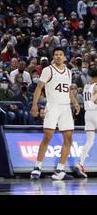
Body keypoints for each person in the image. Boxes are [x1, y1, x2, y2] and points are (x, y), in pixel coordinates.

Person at [30, 47, 80, 181]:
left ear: (64, 57)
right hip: (52, 106)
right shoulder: (48, 70)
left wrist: (75, 103)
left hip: (65, 108)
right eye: (56, 54)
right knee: (47, 137)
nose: (58, 57)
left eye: (60, 55)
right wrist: (34, 105)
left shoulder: (69, 72)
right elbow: (39, 88)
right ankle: (37, 167)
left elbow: (68, 90)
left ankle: (60, 170)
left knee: (69, 138)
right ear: (53, 57)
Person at [74, 67, 97, 178]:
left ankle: (80, 163)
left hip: (88, 114)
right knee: (90, 141)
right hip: (96, 112)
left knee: (89, 141)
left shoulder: (86, 86)